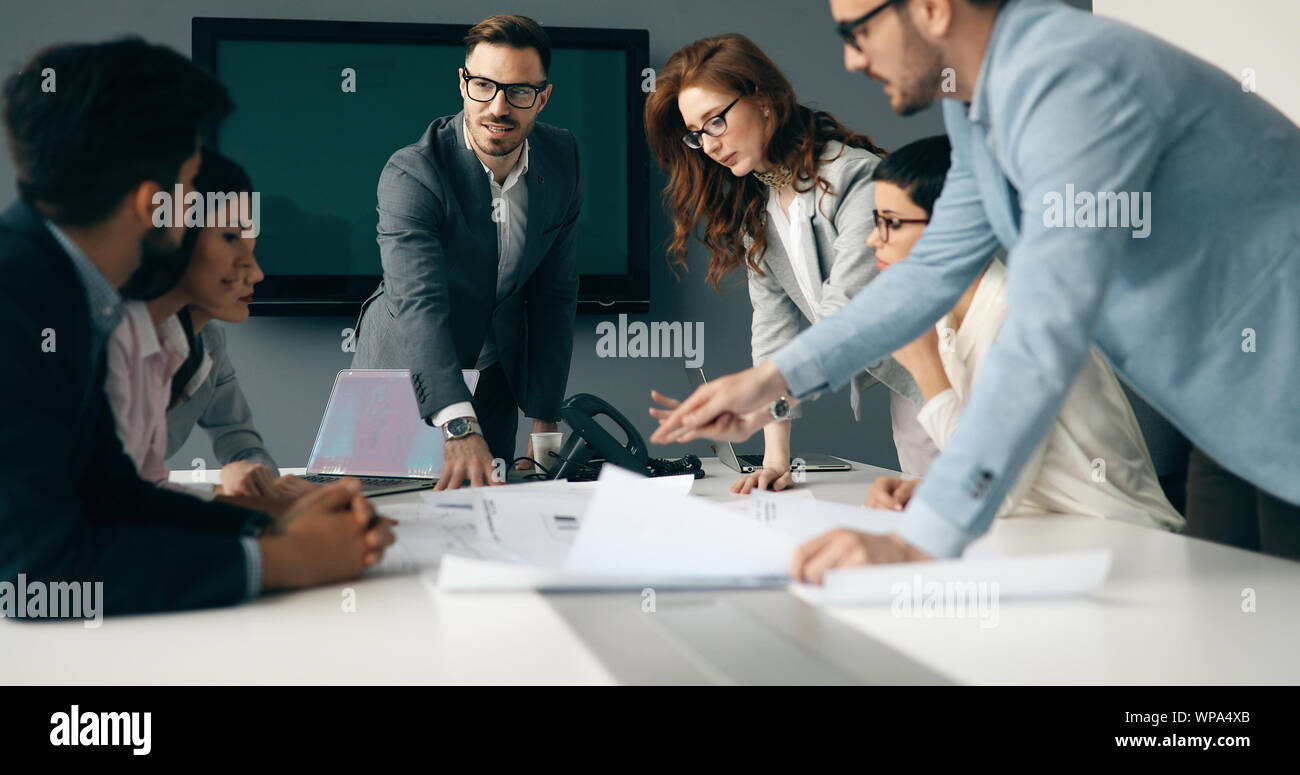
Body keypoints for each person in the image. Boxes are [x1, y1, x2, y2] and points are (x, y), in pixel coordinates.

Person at [650, 0, 1300, 576]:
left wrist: (926, 536)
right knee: (1226, 633)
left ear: (932, 8)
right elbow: (929, 271)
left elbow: (1045, 326)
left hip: (1283, 379)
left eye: (857, 31)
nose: (850, 60)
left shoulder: (1068, 81)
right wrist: (774, 380)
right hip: (1229, 410)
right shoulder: (981, 108)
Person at [0, 38, 394, 617]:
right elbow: (35, 579)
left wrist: (263, 533)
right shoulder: (20, 307)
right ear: (151, 205)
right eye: (189, 189)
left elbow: (111, 496)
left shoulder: (60, 289)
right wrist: (286, 562)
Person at [643, 34, 936, 493]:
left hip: (964, 370)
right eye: (697, 134)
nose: (710, 145)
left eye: (716, 121)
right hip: (912, 387)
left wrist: (757, 389)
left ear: (762, 99)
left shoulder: (856, 177)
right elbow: (773, 332)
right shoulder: (759, 212)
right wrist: (775, 457)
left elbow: (850, 311)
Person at [861, 135, 1182, 530]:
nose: (873, 239)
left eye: (891, 223)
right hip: (1039, 533)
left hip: (1121, 540)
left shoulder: (1019, 317)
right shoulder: (947, 321)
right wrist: (926, 487)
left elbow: (993, 492)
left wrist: (926, 368)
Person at [351, 14, 582, 490]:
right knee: (389, 516)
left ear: (543, 97)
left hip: (494, 373)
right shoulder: (413, 173)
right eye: (483, 85)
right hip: (404, 373)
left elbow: (553, 294)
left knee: (485, 525)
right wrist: (458, 421)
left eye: (519, 91)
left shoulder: (561, 158)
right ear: (462, 83)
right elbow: (419, 304)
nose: (498, 106)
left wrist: (544, 423)